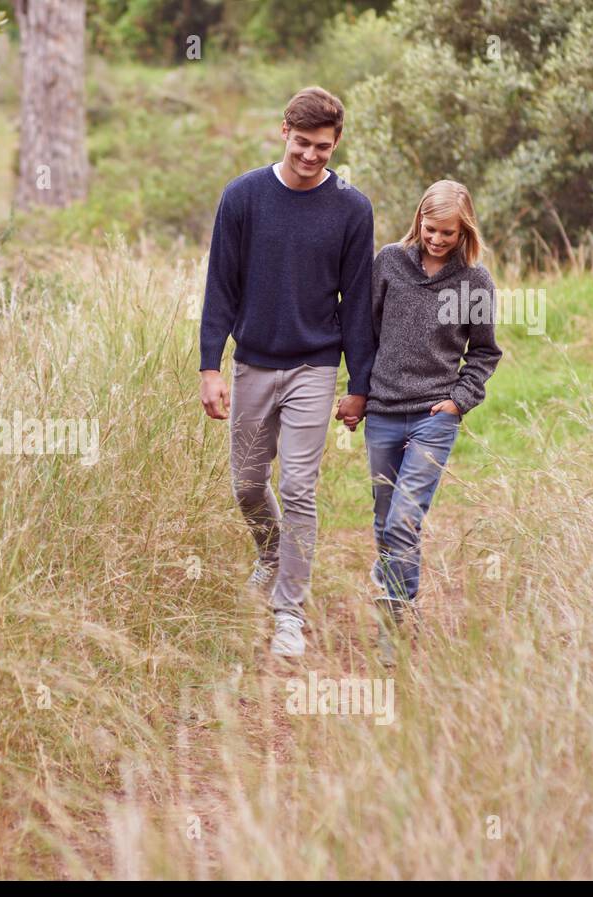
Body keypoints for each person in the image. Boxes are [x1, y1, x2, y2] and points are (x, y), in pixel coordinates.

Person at [199, 86, 375, 659]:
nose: (310, 156)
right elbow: (221, 286)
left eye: (323, 147)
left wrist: (359, 385)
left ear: (337, 142)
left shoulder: (352, 209)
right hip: (252, 361)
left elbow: (357, 301)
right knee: (248, 486)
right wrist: (210, 365)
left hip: (313, 364)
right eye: (302, 143)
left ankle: (288, 614)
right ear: (283, 132)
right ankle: (270, 553)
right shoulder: (243, 197)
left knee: (299, 487)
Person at [337, 179, 502, 665]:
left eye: (449, 233)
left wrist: (459, 399)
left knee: (405, 520)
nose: (437, 240)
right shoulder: (389, 262)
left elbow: (485, 351)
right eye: (431, 229)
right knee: (385, 520)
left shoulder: (475, 282)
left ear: (464, 231)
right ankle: (395, 597)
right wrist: (357, 392)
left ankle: (394, 621)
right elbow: (363, 332)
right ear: (418, 222)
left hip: (434, 416)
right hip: (384, 412)